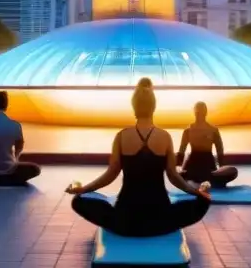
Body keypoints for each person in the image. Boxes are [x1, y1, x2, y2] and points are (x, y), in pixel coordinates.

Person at [67, 78, 211, 237]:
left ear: (134, 107)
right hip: (160, 218)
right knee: (202, 202)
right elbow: (173, 176)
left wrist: (84, 188)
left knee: (78, 202)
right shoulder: (165, 137)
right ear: (154, 107)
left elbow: (110, 174)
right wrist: (196, 192)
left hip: (125, 219)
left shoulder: (121, 136)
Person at [176, 101, 239, 188]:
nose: (199, 114)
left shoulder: (212, 130)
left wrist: (221, 169)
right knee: (176, 172)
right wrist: (178, 168)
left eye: (201, 111)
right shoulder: (189, 131)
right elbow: (181, 152)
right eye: (199, 112)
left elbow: (219, 150)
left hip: (203, 167)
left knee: (232, 170)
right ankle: (203, 178)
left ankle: (195, 178)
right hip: (194, 167)